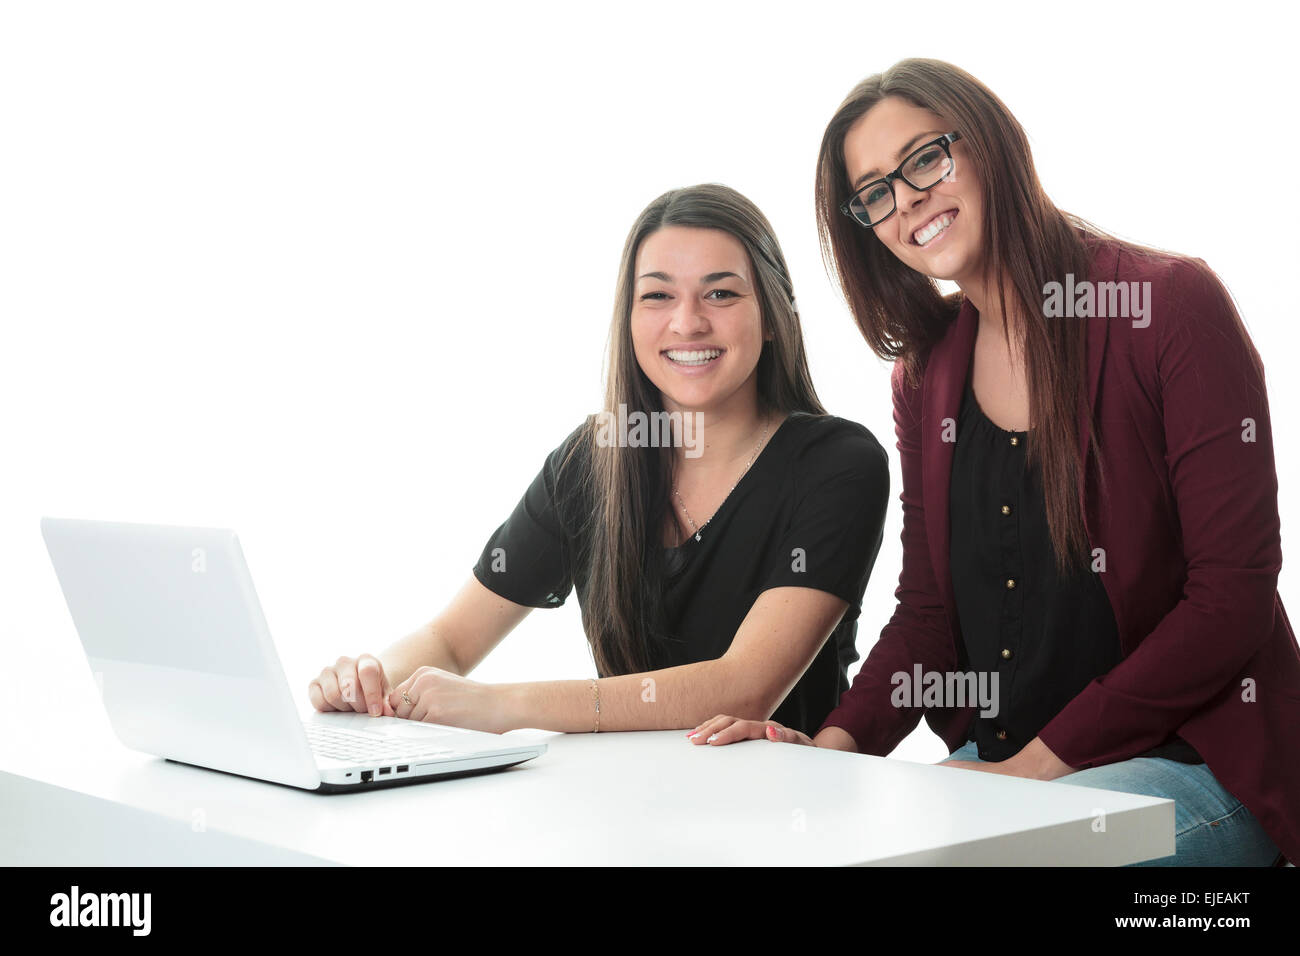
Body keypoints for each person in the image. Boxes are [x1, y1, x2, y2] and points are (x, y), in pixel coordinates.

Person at [689, 59, 1299, 867]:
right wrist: (831, 745)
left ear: (990, 144)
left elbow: (1233, 598)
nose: (906, 200)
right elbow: (930, 612)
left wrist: (1032, 772)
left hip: (1200, 766)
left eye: (924, 159)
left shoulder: (1170, 306)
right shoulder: (926, 372)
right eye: (876, 192)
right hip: (1010, 771)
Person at [308, 183, 890, 739]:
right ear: (629, 320)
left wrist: (502, 705)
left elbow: (742, 688)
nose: (687, 322)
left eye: (721, 293)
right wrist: (370, 679)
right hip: (623, 808)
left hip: (792, 810)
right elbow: (452, 642)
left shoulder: (838, 465)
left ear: (771, 317)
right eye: (657, 295)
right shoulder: (594, 460)